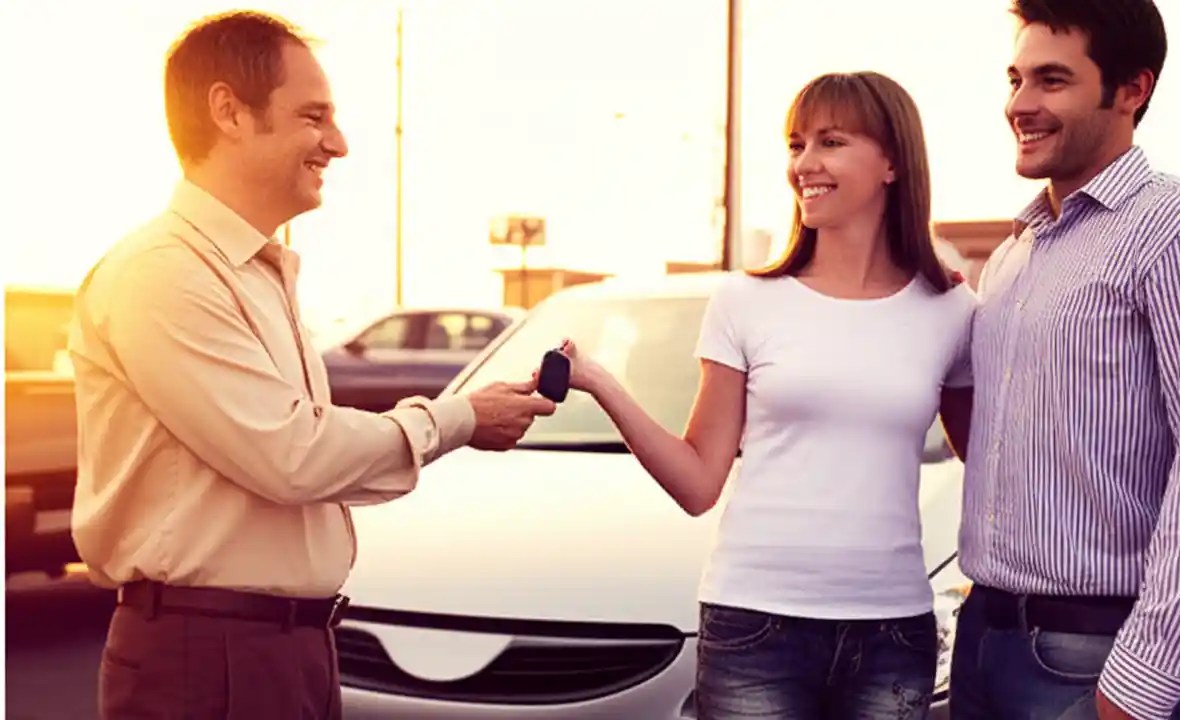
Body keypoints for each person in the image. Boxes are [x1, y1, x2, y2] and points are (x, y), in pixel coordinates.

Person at [67, 11, 555, 719]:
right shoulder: (162, 274)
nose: (340, 143)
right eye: (314, 116)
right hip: (208, 658)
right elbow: (291, 454)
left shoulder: (254, 272)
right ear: (228, 111)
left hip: (283, 649)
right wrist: (459, 419)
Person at [544, 71, 976, 719]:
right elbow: (697, 484)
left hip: (892, 631)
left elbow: (992, 466)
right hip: (756, 626)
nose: (804, 164)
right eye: (796, 144)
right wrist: (603, 383)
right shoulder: (746, 302)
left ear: (892, 161)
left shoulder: (951, 309)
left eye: (830, 142)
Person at [950, 1, 1180, 719]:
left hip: (1095, 658)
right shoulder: (1012, 256)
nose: (1020, 104)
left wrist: (1143, 683)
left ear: (1131, 90)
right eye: (1015, 78)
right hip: (983, 641)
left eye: (1052, 80)